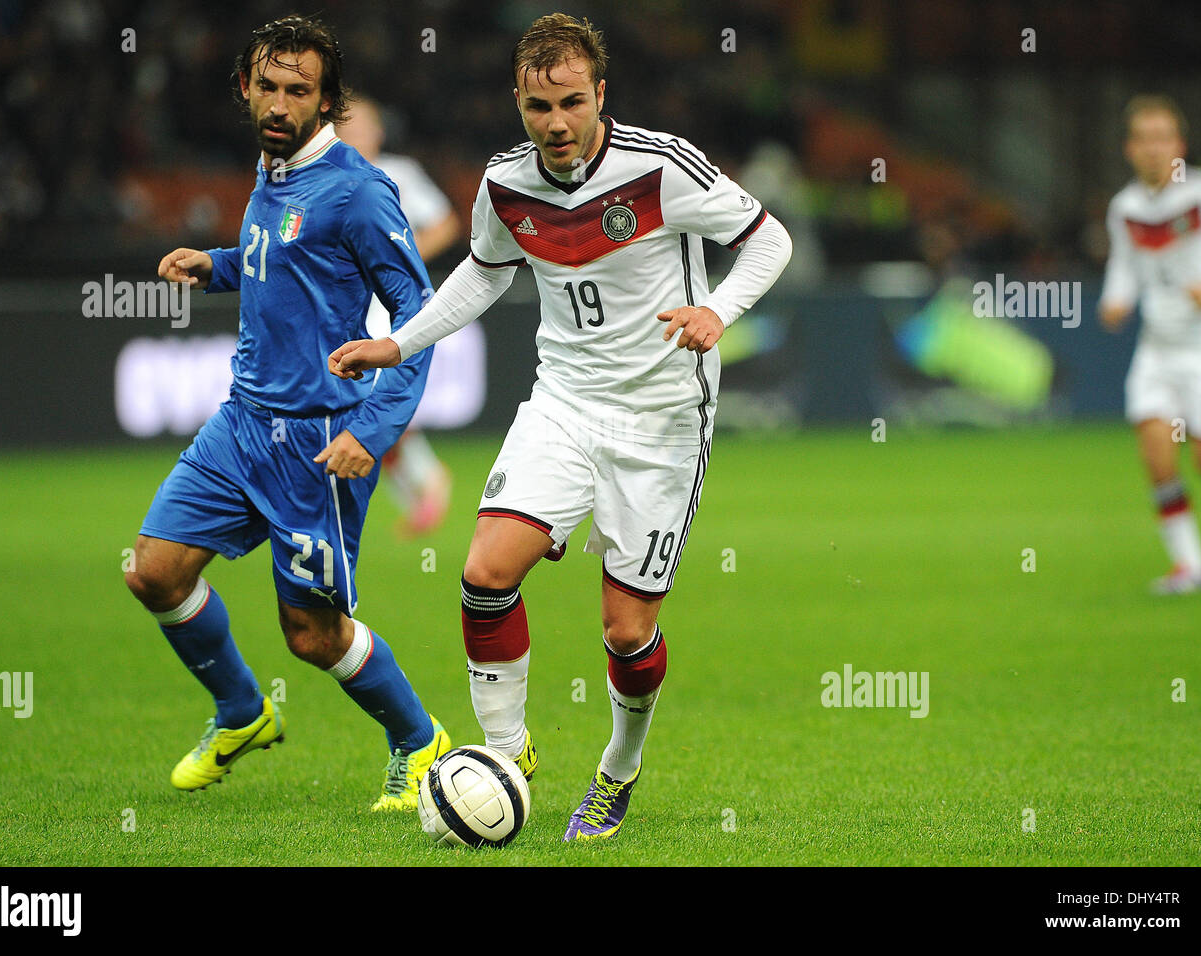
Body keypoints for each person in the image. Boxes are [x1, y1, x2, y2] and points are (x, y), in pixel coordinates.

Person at [329, 13, 792, 840]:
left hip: (661, 420)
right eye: (539, 107)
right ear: (518, 100)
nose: (557, 124)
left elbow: (768, 239)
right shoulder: (506, 184)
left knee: (627, 631)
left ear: (600, 94)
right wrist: (397, 344)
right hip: (564, 405)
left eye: (572, 103)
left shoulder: (661, 167)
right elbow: (482, 273)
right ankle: (507, 753)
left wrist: (718, 310)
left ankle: (618, 769)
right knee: (484, 571)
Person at [124, 14, 450, 810]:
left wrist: (369, 434)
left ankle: (421, 743)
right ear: (245, 88)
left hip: (318, 440)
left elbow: (421, 318)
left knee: (310, 636)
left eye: (297, 91)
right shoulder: (272, 169)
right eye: (266, 86)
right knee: (154, 572)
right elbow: (285, 264)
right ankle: (241, 711)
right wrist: (220, 267)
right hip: (241, 425)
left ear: (328, 102)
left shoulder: (359, 190)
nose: (278, 103)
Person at [1099, 94, 1201, 594]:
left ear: (1180, 145)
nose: (1155, 149)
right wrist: (1116, 300)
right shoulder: (1124, 208)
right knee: (1157, 455)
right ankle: (1190, 567)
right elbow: (1125, 265)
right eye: (1144, 139)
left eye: (1164, 138)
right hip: (1157, 348)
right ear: (1129, 148)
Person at [336, 97, 469, 537]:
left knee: (371, 392)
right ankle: (418, 490)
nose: (353, 135)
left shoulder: (400, 174)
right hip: (340, 305)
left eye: (361, 127)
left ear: (378, 132)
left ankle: (427, 482)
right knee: (358, 401)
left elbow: (446, 223)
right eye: (344, 127)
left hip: (386, 308)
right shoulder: (327, 178)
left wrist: (399, 261)